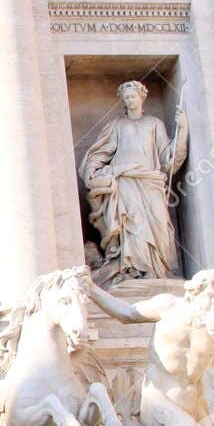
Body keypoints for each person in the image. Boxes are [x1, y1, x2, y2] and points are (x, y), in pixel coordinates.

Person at [89, 270, 214, 426]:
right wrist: (91, 288)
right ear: (193, 294)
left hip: (196, 405)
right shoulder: (169, 306)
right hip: (158, 399)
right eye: (210, 296)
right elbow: (127, 313)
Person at [80, 79, 188, 282]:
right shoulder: (117, 126)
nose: (130, 100)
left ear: (142, 97)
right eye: (126, 97)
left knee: (159, 224)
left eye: (133, 96)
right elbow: (101, 152)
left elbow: (168, 158)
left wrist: (182, 130)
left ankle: (159, 270)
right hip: (125, 181)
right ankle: (135, 271)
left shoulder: (154, 124)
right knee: (133, 224)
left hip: (150, 181)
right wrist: (92, 170)